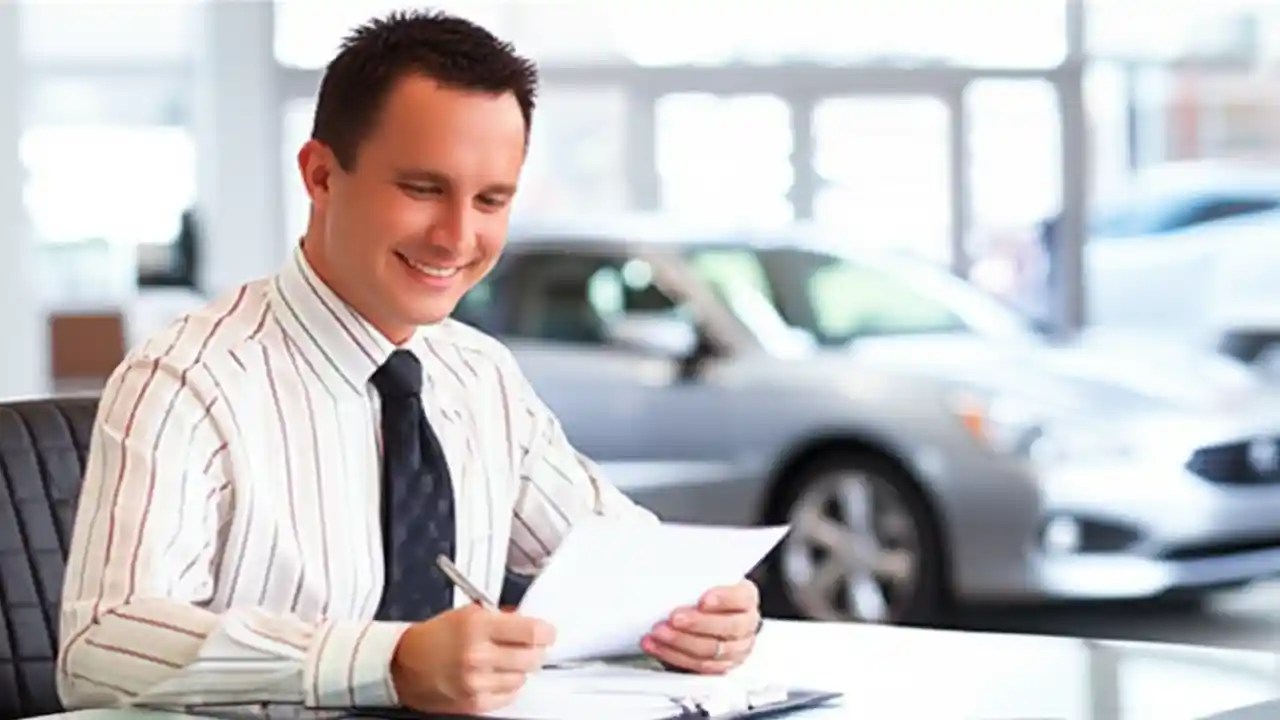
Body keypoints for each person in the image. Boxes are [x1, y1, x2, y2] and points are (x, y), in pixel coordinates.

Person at [56, 9, 762, 717]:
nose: (458, 237)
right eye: (423, 189)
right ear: (322, 175)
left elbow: (623, 558)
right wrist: (383, 662)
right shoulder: (187, 382)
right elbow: (102, 645)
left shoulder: (480, 376)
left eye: (491, 200)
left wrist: (704, 611)